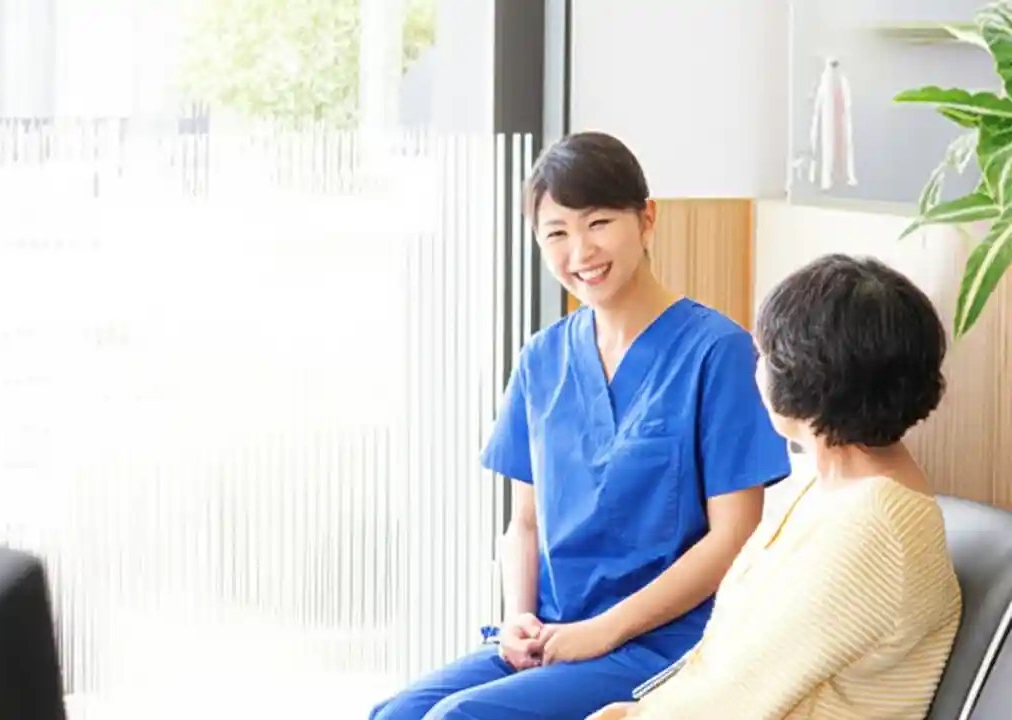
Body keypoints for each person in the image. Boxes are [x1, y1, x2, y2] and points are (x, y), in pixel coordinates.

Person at [369, 132, 791, 719]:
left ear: (646, 219)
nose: (580, 251)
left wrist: (603, 631)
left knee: (458, 719)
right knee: (393, 714)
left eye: (598, 222)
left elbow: (734, 536)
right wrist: (519, 617)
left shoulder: (716, 352)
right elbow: (524, 523)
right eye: (557, 233)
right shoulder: (543, 359)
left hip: (663, 643)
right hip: (552, 634)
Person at [590, 254, 963, 720]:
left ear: (805, 377)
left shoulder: (874, 529)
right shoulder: (827, 483)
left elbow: (738, 698)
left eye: (765, 355)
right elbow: (730, 662)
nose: (757, 368)